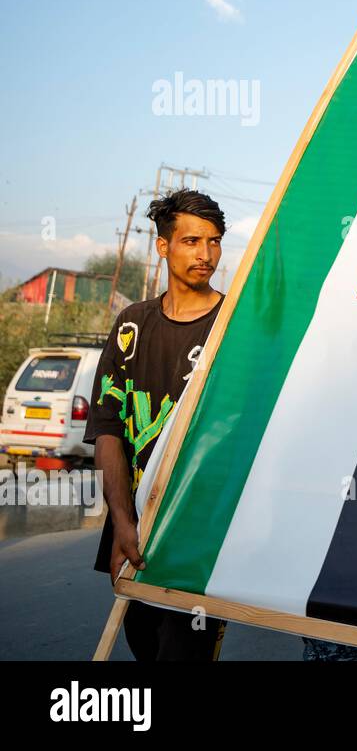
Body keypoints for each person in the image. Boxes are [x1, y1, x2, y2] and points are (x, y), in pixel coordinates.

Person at [86, 189, 228, 661]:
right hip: (135, 533)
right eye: (191, 241)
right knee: (144, 647)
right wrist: (122, 523)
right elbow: (107, 430)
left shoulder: (233, 327)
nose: (205, 254)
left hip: (201, 536)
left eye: (214, 241)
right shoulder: (132, 325)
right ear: (163, 247)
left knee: (182, 653)